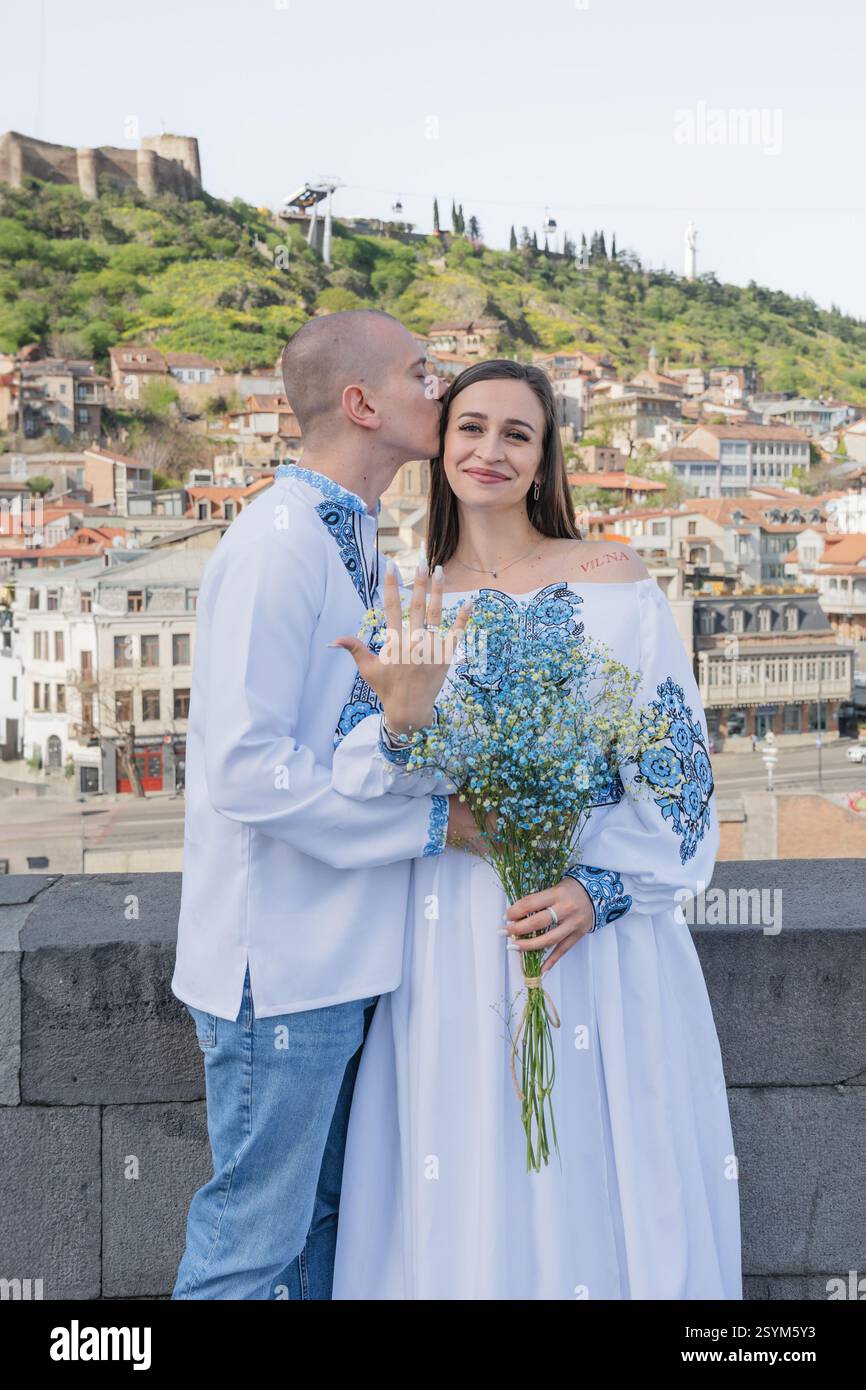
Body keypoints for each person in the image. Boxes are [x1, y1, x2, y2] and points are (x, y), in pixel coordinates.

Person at [328, 359, 743, 1299]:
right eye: (471, 427)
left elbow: (681, 785)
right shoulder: (413, 598)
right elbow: (354, 779)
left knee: (599, 1165)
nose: (490, 449)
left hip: (596, 941)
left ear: (546, 457)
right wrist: (404, 721)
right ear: (441, 446)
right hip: (456, 941)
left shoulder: (615, 579)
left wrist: (599, 892)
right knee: (469, 1163)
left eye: (518, 433)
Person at [170, 310, 479, 1299]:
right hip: (278, 968)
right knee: (251, 1245)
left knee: (319, 1241)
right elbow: (246, 769)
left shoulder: (355, 547)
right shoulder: (274, 546)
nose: (442, 389)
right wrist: (433, 825)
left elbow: (354, 742)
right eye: (422, 372)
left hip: (338, 960)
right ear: (360, 402)